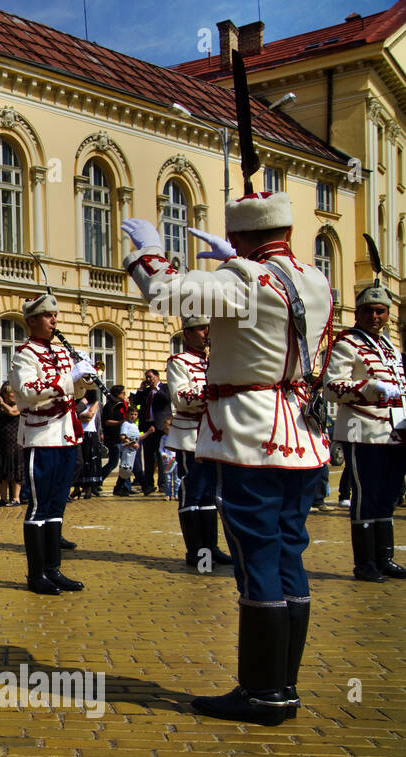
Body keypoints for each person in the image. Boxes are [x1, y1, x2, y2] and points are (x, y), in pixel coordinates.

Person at [123, 189, 332, 725]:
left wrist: (149, 250)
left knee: (255, 557)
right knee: (289, 555)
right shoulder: (314, 279)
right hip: (300, 433)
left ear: (239, 238)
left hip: (251, 433)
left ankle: (260, 693)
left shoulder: (243, 280)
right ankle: (282, 684)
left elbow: (166, 293)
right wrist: (240, 260)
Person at [324, 281, 406, 581]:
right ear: (357, 314)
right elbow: (332, 387)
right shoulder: (347, 344)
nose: (375, 317)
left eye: (381, 311)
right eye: (369, 311)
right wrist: (371, 388)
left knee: (388, 497)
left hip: (395, 432)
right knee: (366, 496)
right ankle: (365, 563)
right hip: (364, 431)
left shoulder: (390, 347)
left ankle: (384, 557)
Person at [9, 294, 90, 596]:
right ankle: (36, 574)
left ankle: (54, 569)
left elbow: (75, 393)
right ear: (31, 321)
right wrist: (69, 379)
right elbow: (28, 391)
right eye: (47, 315)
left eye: (55, 315)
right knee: (39, 506)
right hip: (41, 436)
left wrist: (85, 379)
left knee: (57, 505)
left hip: (66, 435)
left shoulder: (61, 352)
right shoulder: (24, 354)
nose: (54, 320)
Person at [166, 313, 231, 569]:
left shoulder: (218, 361)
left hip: (214, 436)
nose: (207, 333)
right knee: (193, 493)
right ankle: (196, 551)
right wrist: (214, 393)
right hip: (191, 436)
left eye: (208, 328)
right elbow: (181, 398)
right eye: (201, 329)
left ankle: (210, 549)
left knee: (209, 496)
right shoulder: (178, 362)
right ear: (188, 334)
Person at [0, 383, 22, 505]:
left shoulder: (18, 405)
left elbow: (12, 413)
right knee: (1, 471)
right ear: (4, 393)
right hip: (1, 442)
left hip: (15, 442)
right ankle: (3, 499)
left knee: (15, 472)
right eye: (11, 393)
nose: (13, 395)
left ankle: (16, 498)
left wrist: (2, 403)